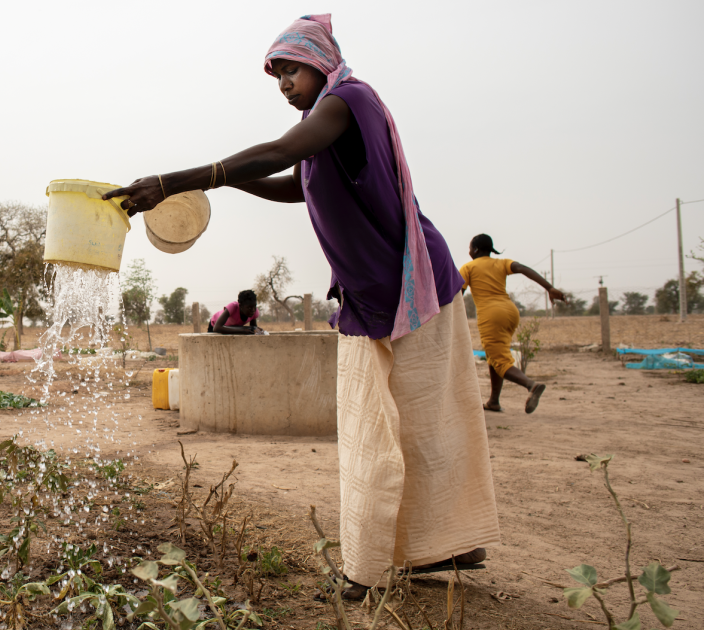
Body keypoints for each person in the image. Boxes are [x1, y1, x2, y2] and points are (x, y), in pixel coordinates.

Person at [104, 14, 500, 599]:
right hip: (377, 293)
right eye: (277, 76)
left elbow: (280, 151)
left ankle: (393, 563)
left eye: (290, 71)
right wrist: (228, 182)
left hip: (415, 285)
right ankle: (415, 550)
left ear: (320, 64)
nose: (284, 84)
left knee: (420, 423)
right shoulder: (325, 130)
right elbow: (294, 180)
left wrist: (177, 179)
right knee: (388, 424)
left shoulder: (348, 101)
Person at [460, 234, 565, 414]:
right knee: (496, 354)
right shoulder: (501, 263)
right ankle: (494, 401)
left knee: (499, 358)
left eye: (470, 248)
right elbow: (522, 268)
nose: (469, 251)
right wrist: (549, 288)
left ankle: (531, 385)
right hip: (510, 312)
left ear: (475, 249)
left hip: (491, 315)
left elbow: (457, 296)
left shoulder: (468, 268)